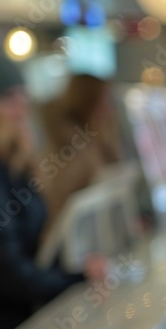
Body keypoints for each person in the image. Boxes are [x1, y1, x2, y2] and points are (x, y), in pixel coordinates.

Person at [0, 50, 106, 329]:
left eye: (22, 95)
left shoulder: (1, 160)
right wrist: (75, 279)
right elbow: (4, 269)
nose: (22, 106)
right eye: (9, 98)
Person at [37, 73, 122, 227]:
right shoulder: (68, 144)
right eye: (105, 99)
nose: (109, 107)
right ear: (89, 101)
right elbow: (60, 202)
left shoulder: (97, 137)